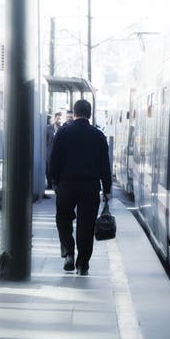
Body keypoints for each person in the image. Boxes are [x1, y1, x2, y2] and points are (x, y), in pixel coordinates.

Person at [49, 99, 112, 275]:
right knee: (86, 225)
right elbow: (105, 165)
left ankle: (68, 252)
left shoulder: (63, 132)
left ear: (74, 114)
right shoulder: (98, 135)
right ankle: (82, 264)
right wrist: (107, 189)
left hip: (66, 185)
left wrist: (55, 182)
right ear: (89, 114)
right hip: (90, 187)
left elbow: (54, 160)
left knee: (63, 219)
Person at [45, 115, 55, 189]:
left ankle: (50, 183)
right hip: (50, 150)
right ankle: (50, 183)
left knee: (48, 167)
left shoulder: (49, 128)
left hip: (48, 149)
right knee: (49, 167)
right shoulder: (50, 128)